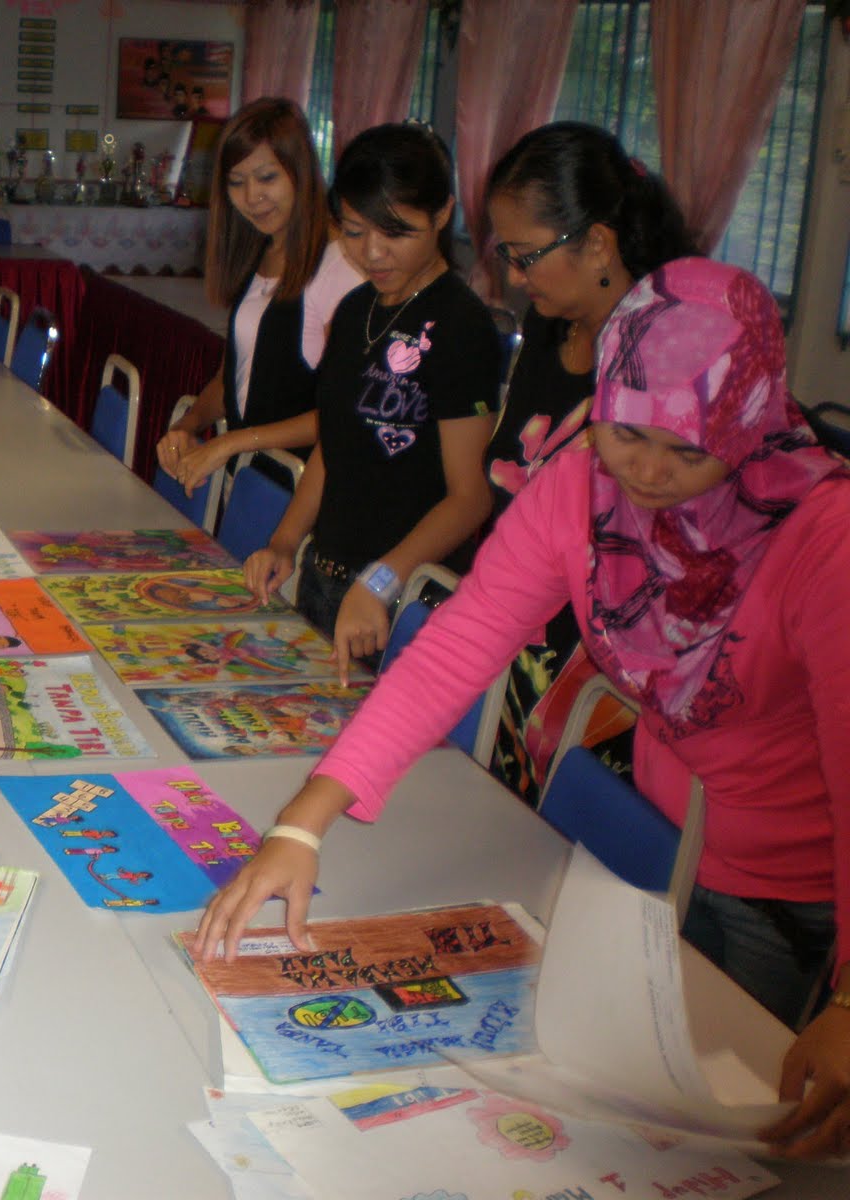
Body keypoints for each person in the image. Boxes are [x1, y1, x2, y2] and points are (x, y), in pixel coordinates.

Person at [201, 258, 850, 1159]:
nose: (649, 471)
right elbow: (456, 648)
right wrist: (304, 822)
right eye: (628, 433)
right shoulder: (581, 488)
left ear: (747, 425)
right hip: (657, 847)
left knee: (738, 1141)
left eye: (690, 451)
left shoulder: (824, 538)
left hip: (786, 895)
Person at [481, 121, 699, 803]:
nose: (513, 276)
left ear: (598, 244)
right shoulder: (550, 327)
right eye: (507, 254)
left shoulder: (667, 363)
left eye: (526, 256)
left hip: (605, 690)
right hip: (519, 649)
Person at [242, 123, 498, 674]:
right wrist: (284, 541)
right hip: (326, 577)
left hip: (403, 600)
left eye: (396, 232)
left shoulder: (462, 325)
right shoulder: (356, 309)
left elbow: (470, 497)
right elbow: (335, 446)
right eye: (355, 232)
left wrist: (381, 581)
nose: (373, 253)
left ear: (442, 214)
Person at [155, 97, 362, 496]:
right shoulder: (261, 251)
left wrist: (233, 441)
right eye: (236, 182)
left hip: (307, 494)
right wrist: (188, 425)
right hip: (253, 484)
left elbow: (346, 413)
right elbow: (231, 378)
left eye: (267, 178)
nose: (252, 197)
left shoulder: (338, 265)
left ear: (300, 171)